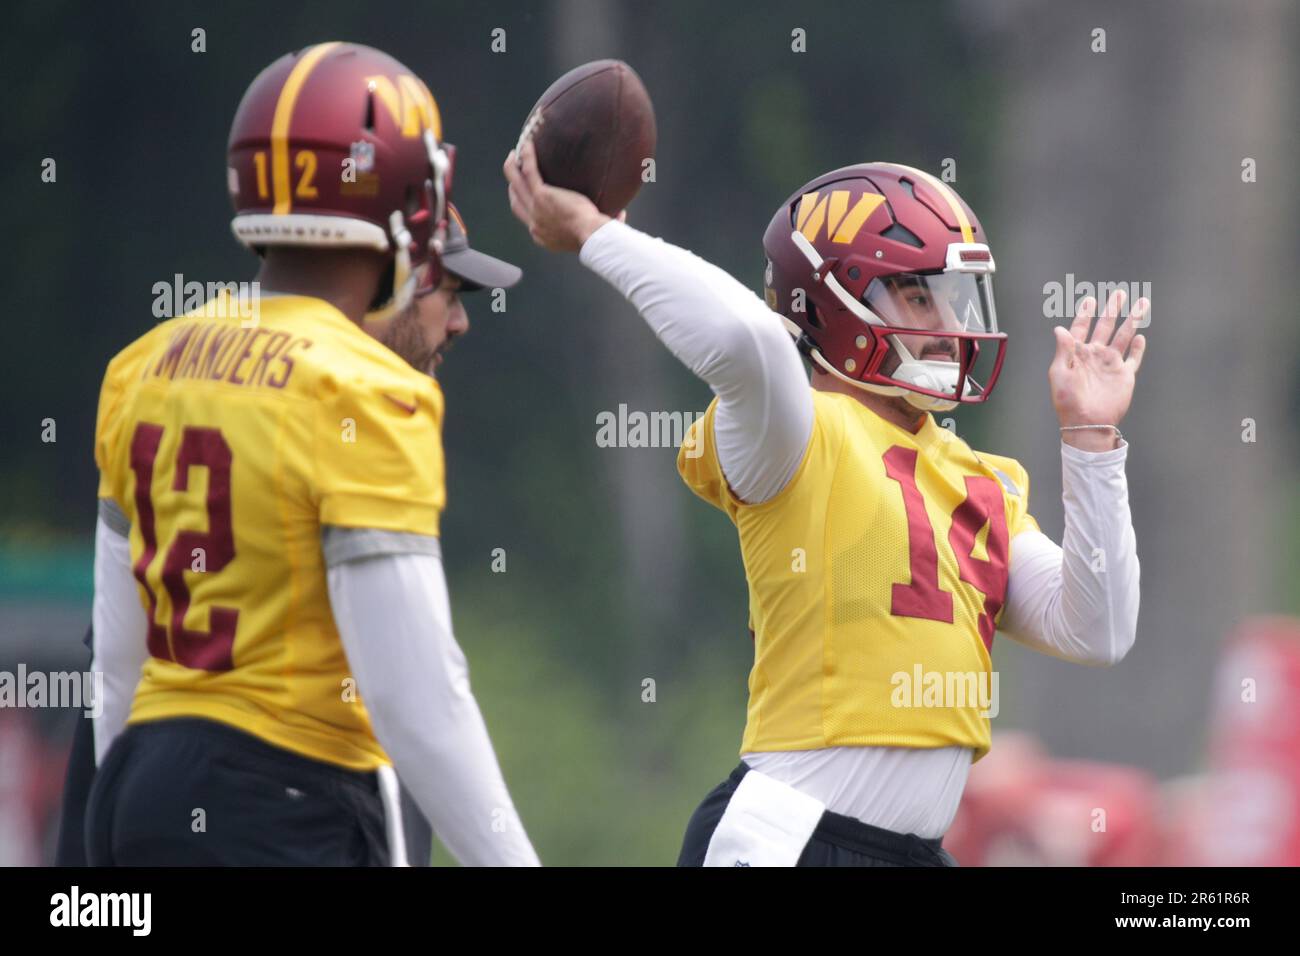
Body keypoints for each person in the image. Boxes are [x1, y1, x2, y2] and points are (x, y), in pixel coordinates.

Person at [505, 142, 1145, 867]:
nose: (949, 320)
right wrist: (597, 232)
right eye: (917, 293)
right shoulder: (795, 430)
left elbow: (1101, 628)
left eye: (954, 295)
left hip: (917, 852)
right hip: (791, 839)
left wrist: (1091, 440)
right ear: (832, 300)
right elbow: (748, 337)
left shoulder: (979, 478)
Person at [86, 42, 538, 866]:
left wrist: (104, 844)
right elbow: (417, 701)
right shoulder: (366, 388)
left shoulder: (142, 365)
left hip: (139, 790)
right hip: (284, 800)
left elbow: (117, 661)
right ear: (408, 200)